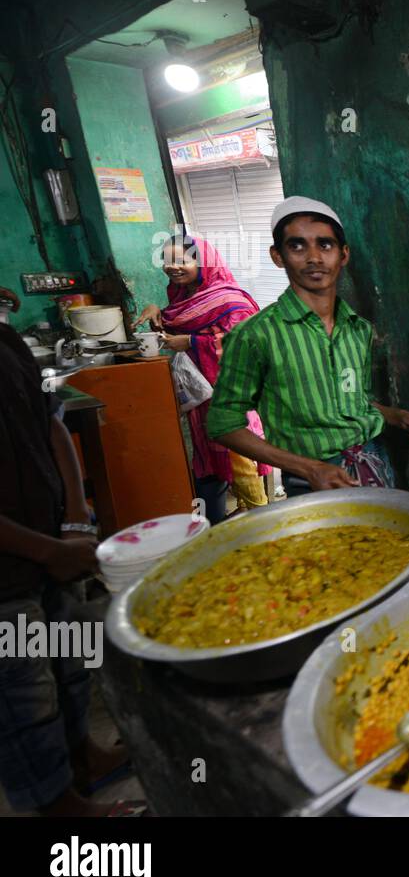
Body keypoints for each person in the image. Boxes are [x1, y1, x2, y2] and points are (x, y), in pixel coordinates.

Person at [207, 196, 409, 494]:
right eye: (297, 246)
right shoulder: (255, 335)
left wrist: (401, 417)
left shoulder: (358, 329)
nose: (314, 258)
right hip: (310, 482)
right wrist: (310, 468)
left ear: (343, 254)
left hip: (374, 465)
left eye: (325, 245)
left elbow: (351, 401)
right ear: (277, 255)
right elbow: (223, 425)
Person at [0, 321, 141, 817]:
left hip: (51, 545)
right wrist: (47, 550)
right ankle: (56, 805)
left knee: (67, 662)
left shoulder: (5, 340)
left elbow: (51, 421)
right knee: (22, 693)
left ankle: (85, 755)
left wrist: (76, 521)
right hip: (9, 571)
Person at [134, 234, 270, 522]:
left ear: (203, 262)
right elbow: (176, 323)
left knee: (239, 459)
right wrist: (158, 313)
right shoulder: (183, 300)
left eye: (182, 260)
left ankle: (267, 521)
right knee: (214, 462)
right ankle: (233, 519)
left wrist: (193, 344)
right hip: (203, 399)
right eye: (167, 260)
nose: (173, 267)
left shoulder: (228, 298)